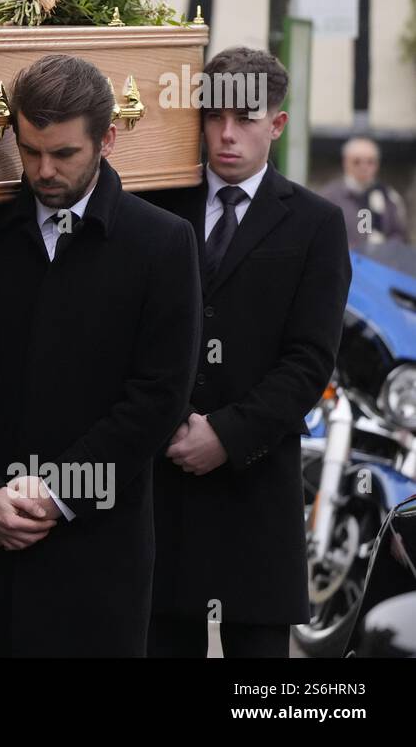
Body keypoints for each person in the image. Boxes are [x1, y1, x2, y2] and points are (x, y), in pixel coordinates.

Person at [0, 53, 201, 656]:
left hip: (97, 551)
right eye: (29, 152)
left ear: (106, 140)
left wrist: (55, 494)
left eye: (64, 154)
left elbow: (158, 397)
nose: (43, 170)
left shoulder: (160, 243)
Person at [140, 47, 351, 657]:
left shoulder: (315, 223)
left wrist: (227, 435)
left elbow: (311, 358)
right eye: (214, 116)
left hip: (255, 492)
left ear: (277, 124)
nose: (227, 134)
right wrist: (168, 426)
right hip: (159, 487)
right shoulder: (158, 207)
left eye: (247, 119)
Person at [320, 136, 409, 250]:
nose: (364, 167)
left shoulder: (389, 196)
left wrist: (386, 250)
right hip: (343, 264)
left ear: (377, 164)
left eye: (370, 162)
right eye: (357, 162)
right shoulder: (329, 197)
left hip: (380, 264)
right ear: (346, 162)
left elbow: (399, 235)